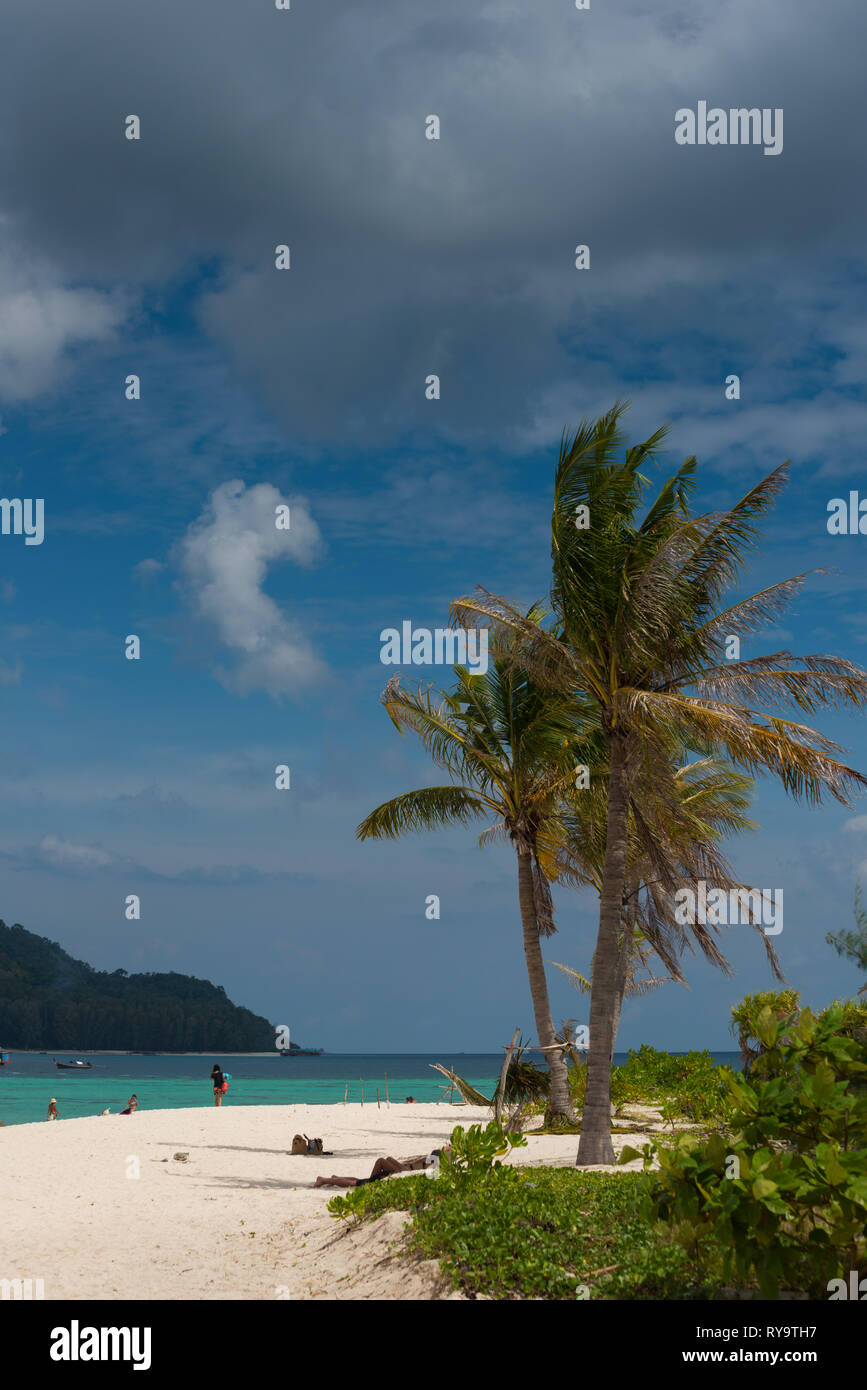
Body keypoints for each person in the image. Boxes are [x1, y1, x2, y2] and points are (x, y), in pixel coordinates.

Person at [313, 1147, 448, 1189]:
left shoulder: (432, 1165)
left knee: (362, 1181)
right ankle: (326, 1180)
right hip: (397, 1172)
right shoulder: (432, 1164)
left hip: (397, 1173)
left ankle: (328, 1179)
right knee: (361, 1182)